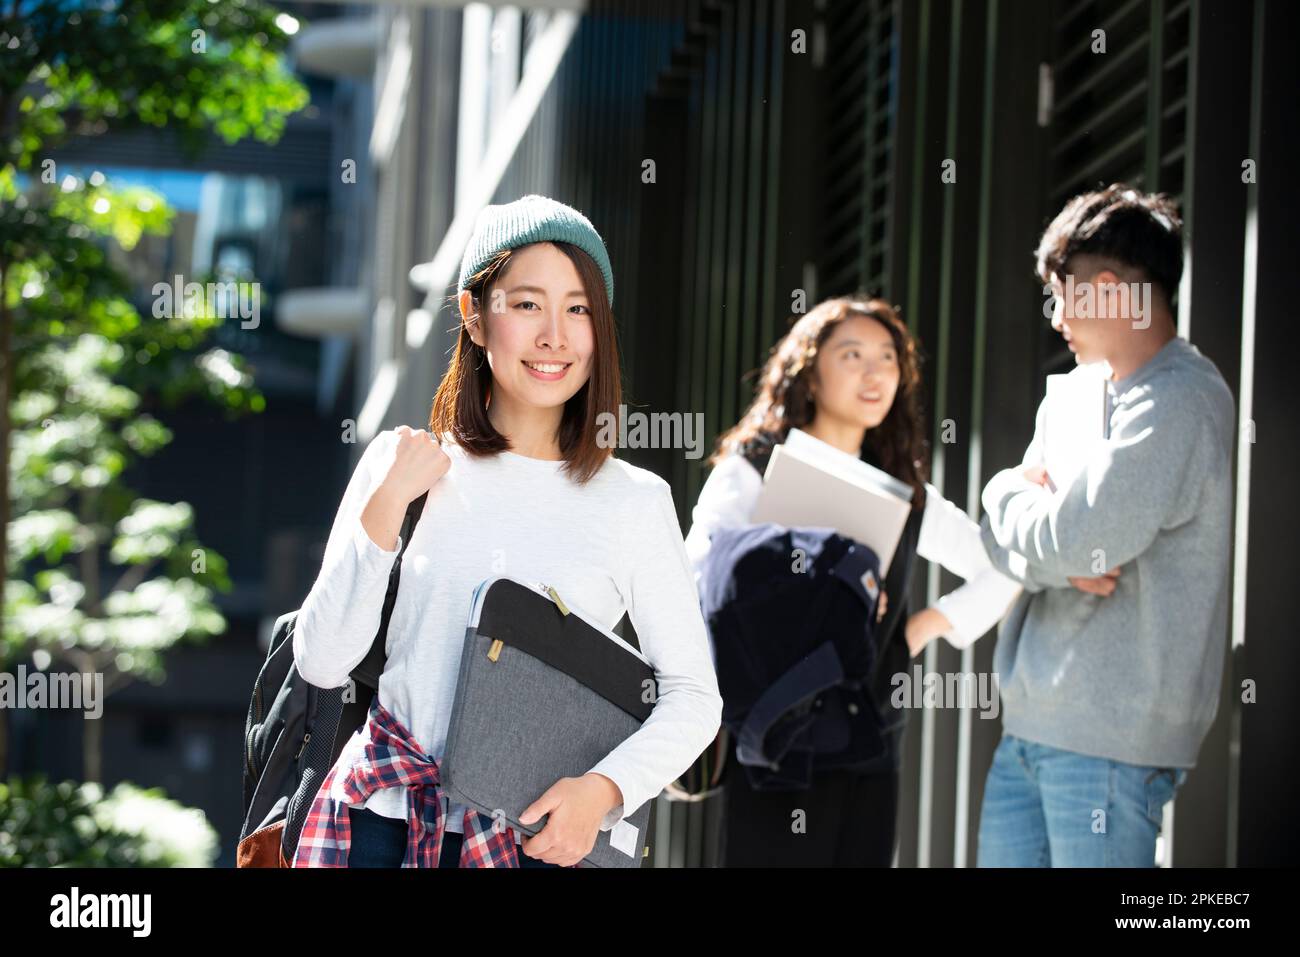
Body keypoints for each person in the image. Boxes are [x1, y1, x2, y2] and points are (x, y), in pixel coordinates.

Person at [290, 194, 723, 868]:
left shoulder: (634, 500)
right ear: (475, 315)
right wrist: (388, 504)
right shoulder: (402, 465)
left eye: (578, 308)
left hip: (526, 842)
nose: (555, 334)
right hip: (374, 827)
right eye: (526, 304)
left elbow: (694, 697)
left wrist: (603, 790)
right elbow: (320, 660)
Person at [684, 295, 1021, 866]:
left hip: (867, 744)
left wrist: (920, 629)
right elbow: (696, 583)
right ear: (809, 372)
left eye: (888, 358)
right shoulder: (752, 468)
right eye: (853, 355)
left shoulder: (908, 494)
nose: (875, 373)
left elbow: (1003, 563)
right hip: (771, 744)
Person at [975, 184, 1235, 867]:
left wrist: (1044, 537)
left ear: (1113, 289)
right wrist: (1014, 503)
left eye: (1063, 292)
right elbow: (1002, 531)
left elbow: (1076, 536)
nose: (1055, 314)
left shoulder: (1183, 398)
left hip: (1110, 745)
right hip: (1027, 730)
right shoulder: (1072, 395)